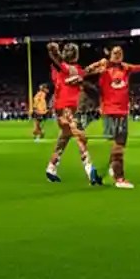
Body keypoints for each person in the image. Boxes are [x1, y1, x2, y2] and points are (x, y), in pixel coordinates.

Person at [84, 45, 140, 189]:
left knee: (117, 145)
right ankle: (119, 178)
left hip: (122, 112)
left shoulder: (126, 68)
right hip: (110, 112)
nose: (118, 55)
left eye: (120, 52)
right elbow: (84, 74)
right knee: (118, 147)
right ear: (109, 54)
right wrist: (96, 65)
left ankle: (103, 172)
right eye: (115, 52)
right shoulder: (103, 69)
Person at [43, 42, 101, 185]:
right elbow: (62, 62)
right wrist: (53, 51)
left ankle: (51, 168)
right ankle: (90, 170)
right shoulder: (70, 69)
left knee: (63, 139)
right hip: (70, 108)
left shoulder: (61, 71)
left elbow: (79, 72)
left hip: (60, 109)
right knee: (80, 137)